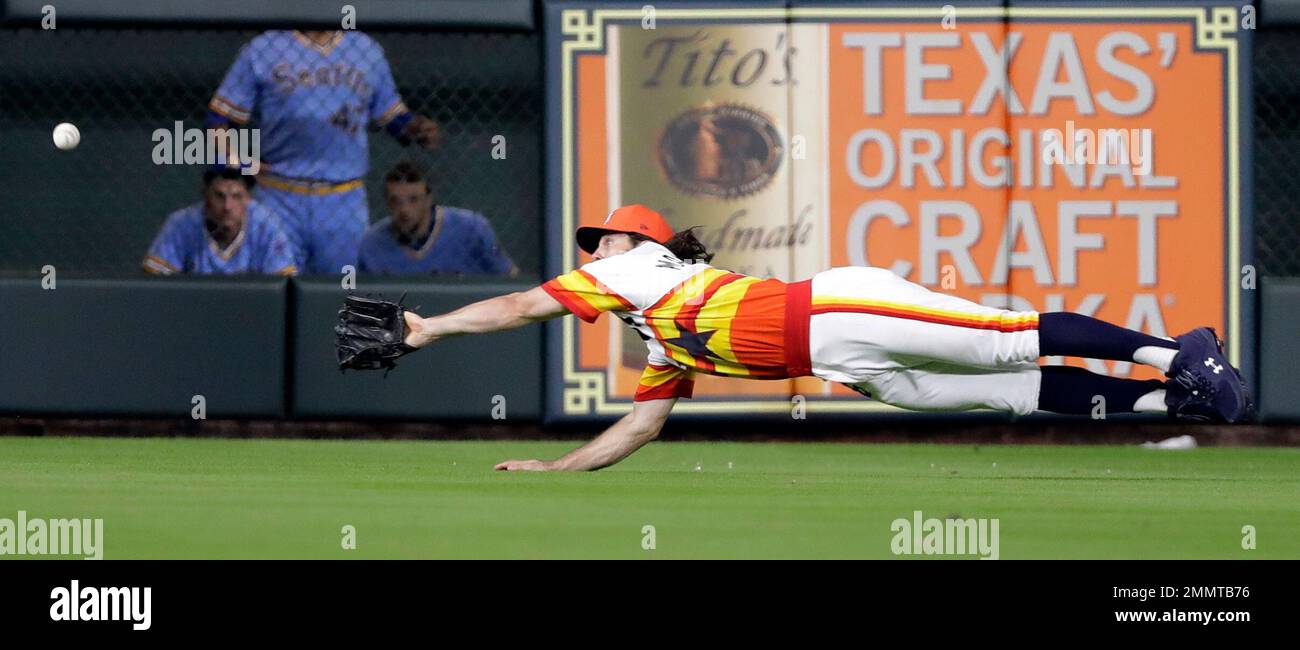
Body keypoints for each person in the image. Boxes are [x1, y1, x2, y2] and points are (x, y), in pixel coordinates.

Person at [395, 205, 1253, 472]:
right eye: (593, 246)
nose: (594, 253)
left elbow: (515, 309)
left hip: (840, 311)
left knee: (1005, 338)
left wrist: (429, 328)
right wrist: (555, 468)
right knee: (1009, 389)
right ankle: (1164, 399)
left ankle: (1179, 353)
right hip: (845, 362)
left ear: (637, 243)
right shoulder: (659, 333)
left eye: (603, 239)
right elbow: (642, 425)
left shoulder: (633, 271)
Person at [207, 29, 439, 274]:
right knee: (272, 292)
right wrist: (238, 164)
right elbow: (218, 119)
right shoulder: (265, 47)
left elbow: (393, 118)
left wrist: (416, 128)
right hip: (279, 194)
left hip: (343, 197)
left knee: (341, 297)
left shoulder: (365, 49)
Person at [357, 162, 517, 275]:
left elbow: (509, 276)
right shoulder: (372, 242)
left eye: (413, 200)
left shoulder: (473, 228)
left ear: (428, 199)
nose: (404, 209)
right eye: (395, 201)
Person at [143, 169, 297, 276]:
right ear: (205, 196)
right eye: (219, 196)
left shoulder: (267, 226)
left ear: (248, 199)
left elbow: (283, 287)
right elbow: (156, 284)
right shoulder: (181, 224)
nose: (227, 207)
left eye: (236, 196)